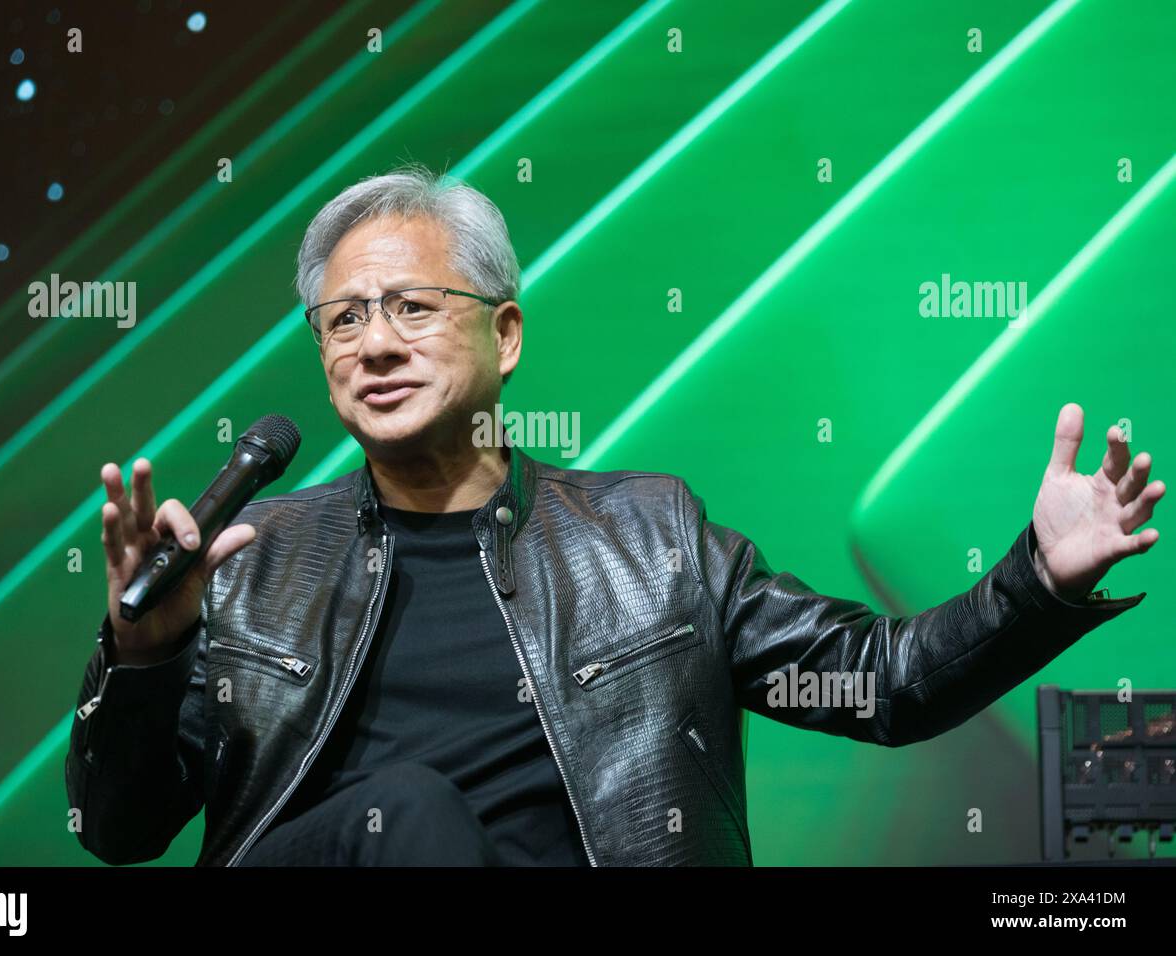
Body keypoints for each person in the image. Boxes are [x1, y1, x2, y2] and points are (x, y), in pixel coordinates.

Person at [65, 162, 1163, 867]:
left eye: (410, 305)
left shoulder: (652, 539)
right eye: (342, 319)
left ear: (504, 337)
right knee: (398, 815)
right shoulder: (255, 562)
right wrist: (144, 652)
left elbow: (883, 680)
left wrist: (1039, 579)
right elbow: (119, 831)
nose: (374, 342)